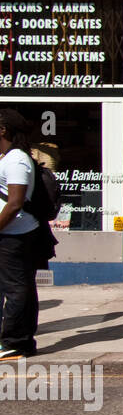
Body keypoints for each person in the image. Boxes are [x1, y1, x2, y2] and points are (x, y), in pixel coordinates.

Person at [0, 110, 46, 360]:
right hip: (9, 235)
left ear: (3, 130)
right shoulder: (8, 157)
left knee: (17, 289)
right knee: (17, 287)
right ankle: (17, 341)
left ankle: (16, 342)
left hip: (14, 235)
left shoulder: (16, 159)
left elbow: (15, 202)